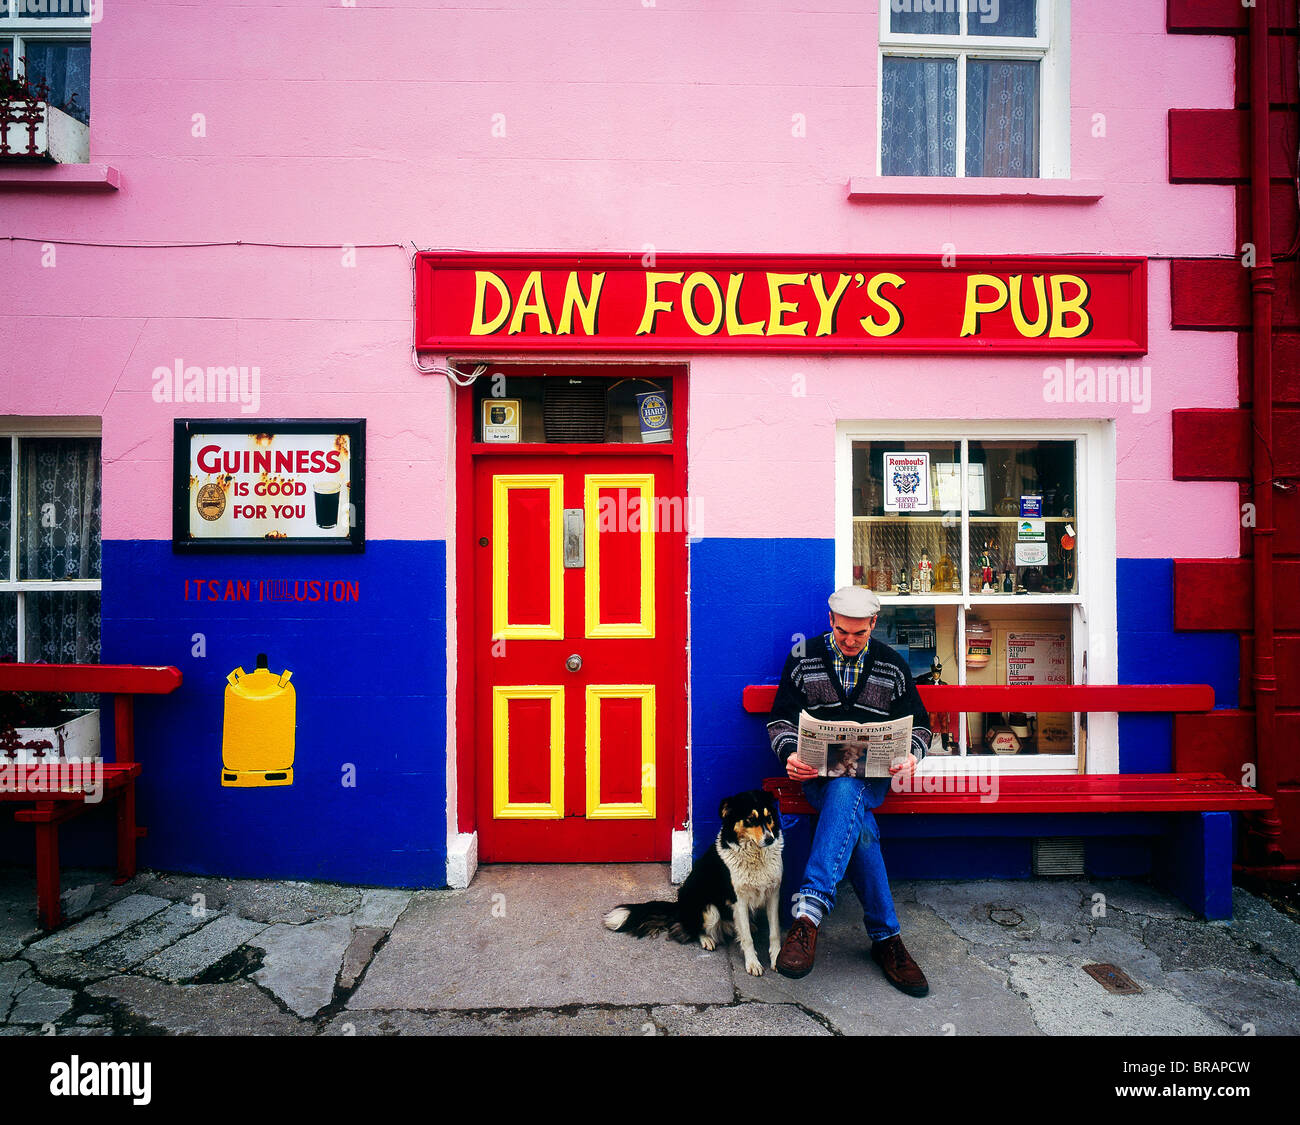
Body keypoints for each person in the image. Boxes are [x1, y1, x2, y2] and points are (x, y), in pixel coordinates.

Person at [768, 585, 931, 996]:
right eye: (843, 633)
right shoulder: (803, 658)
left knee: (851, 785)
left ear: (874, 624)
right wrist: (790, 754)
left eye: (860, 634)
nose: (851, 641)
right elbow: (780, 721)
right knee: (859, 827)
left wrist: (911, 755)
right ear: (831, 622)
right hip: (818, 784)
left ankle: (808, 915)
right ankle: (887, 940)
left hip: (871, 782)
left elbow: (923, 726)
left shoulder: (891, 665)